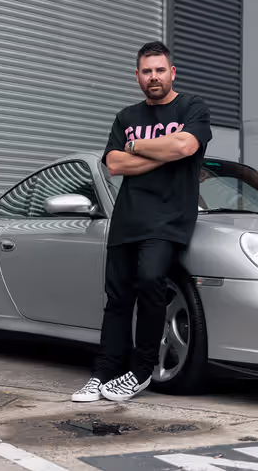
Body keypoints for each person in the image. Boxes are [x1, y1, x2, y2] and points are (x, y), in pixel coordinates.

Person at [71, 41, 212, 402]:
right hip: (127, 218)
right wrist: (162, 152)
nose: (153, 77)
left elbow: (185, 148)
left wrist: (135, 148)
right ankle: (102, 374)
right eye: (146, 71)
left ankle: (140, 370)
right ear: (137, 76)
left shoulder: (192, 107)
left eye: (160, 70)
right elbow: (114, 165)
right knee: (116, 299)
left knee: (151, 282)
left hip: (169, 218)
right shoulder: (126, 117)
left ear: (172, 73)